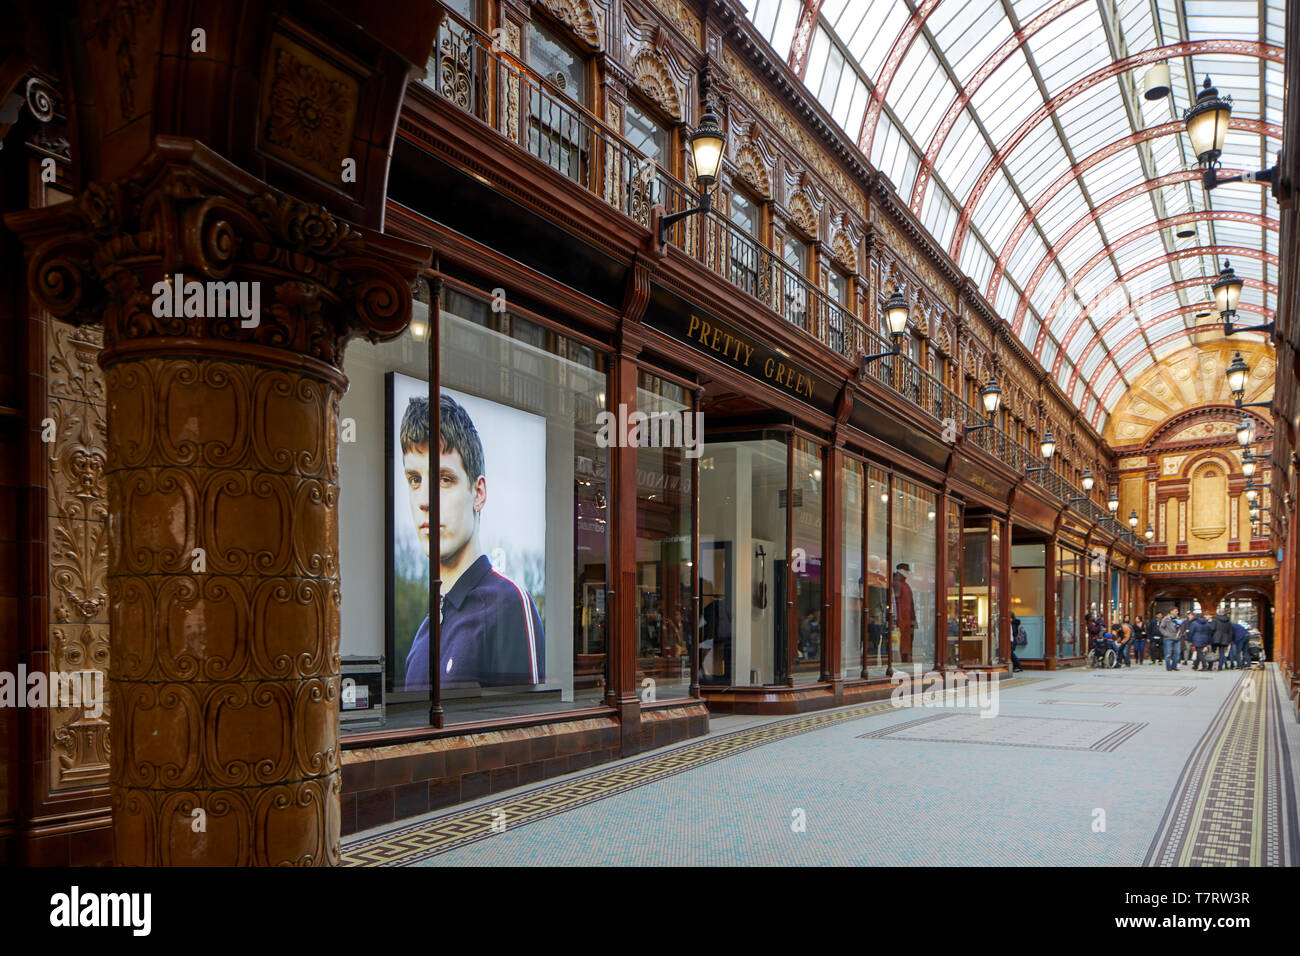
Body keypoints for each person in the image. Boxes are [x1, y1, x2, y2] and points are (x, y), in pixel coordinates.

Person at [402, 394, 546, 693]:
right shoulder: (424, 631)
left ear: (478, 493)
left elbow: (523, 728)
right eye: (415, 479)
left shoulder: (508, 603)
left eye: (444, 479)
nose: (425, 501)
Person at [892, 563, 916, 663]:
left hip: (906, 622)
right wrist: (897, 620)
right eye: (906, 571)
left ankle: (906, 662)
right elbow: (896, 603)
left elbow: (911, 604)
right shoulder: (898, 583)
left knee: (906, 646)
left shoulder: (905, 585)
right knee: (901, 645)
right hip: (902, 621)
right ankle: (903, 663)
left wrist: (913, 619)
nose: (908, 573)